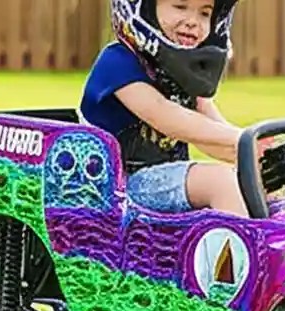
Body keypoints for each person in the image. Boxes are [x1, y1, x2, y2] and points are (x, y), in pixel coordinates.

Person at [80, 0, 264, 217]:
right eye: (180, 7)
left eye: (205, 14)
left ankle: (282, 241)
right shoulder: (117, 62)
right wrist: (238, 137)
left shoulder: (180, 72)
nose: (193, 22)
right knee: (219, 182)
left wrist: (257, 152)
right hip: (117, 189)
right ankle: (247, 248)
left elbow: (213, 134)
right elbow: (167, 118)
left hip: (163, 181)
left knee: (254, 183)